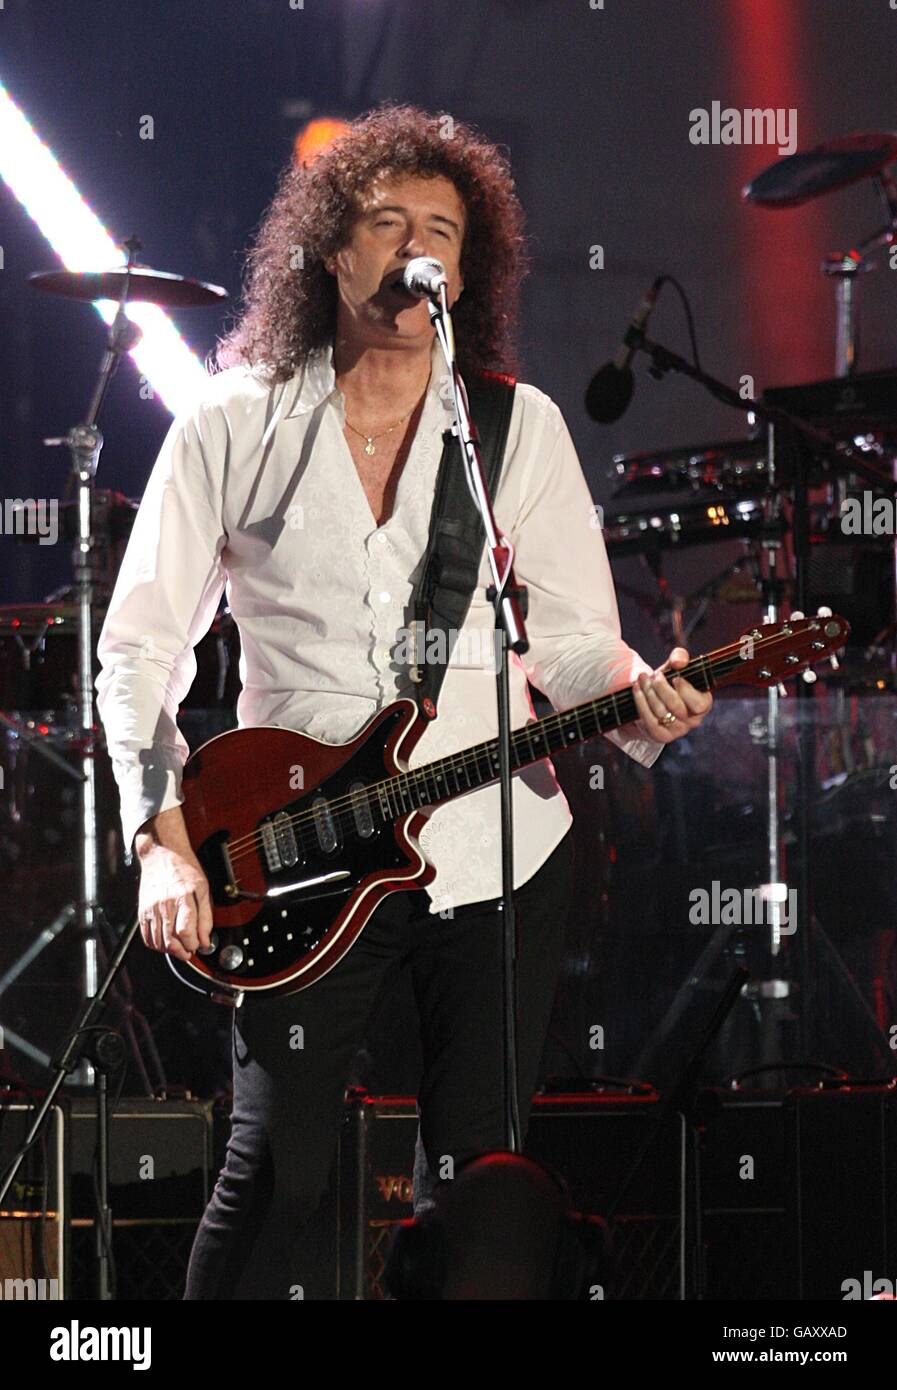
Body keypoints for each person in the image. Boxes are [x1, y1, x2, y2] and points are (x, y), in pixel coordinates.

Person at [96, 103, 712, 1299]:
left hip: (494, 847)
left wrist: (640, 692)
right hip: (301, 852)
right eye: (389, 222)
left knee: (485, 1186)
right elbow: (138, 647)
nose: (416, 248)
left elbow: (574, 643)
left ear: (465, 274)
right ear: (333, 249)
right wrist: (158, 835)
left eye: (443, 229)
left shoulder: (510, 427)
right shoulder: (233, 422)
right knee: (281, 1169)